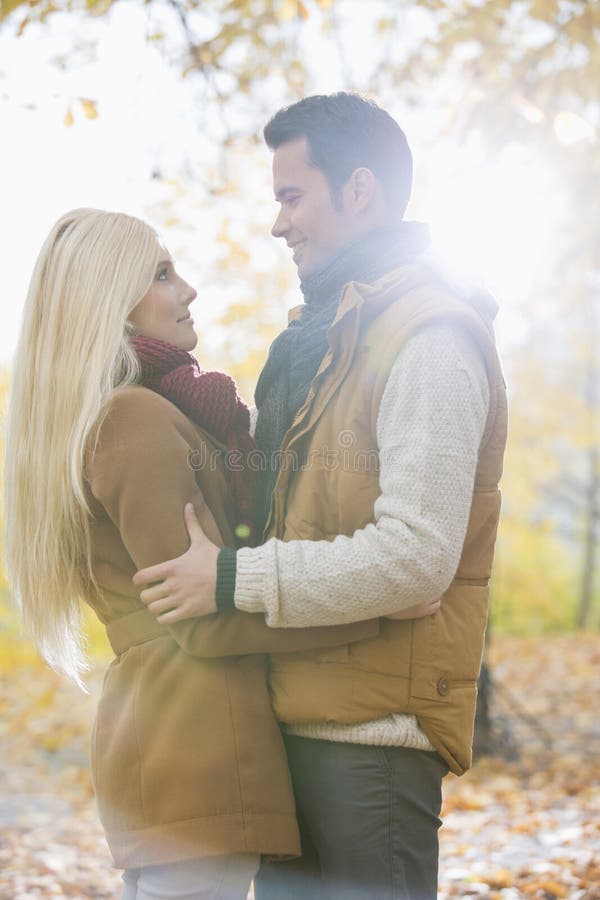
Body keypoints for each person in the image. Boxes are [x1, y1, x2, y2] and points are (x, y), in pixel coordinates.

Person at [134, 93, 508, 900]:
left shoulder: (430, 338)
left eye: (291, 196)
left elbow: (416, 557)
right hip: (291, 734)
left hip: (369, 755)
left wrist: (230, 580)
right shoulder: (324, 340)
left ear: (361, 191)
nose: (278, 223)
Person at [3, 206, 401, 900]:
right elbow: (204, 615)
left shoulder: (147, 410)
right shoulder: (133, 419)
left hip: (186, 742)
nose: (187, 290)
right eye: (161, 274)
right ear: (108, 299)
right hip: (193, 746)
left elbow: (215, 584)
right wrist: (374, 613)